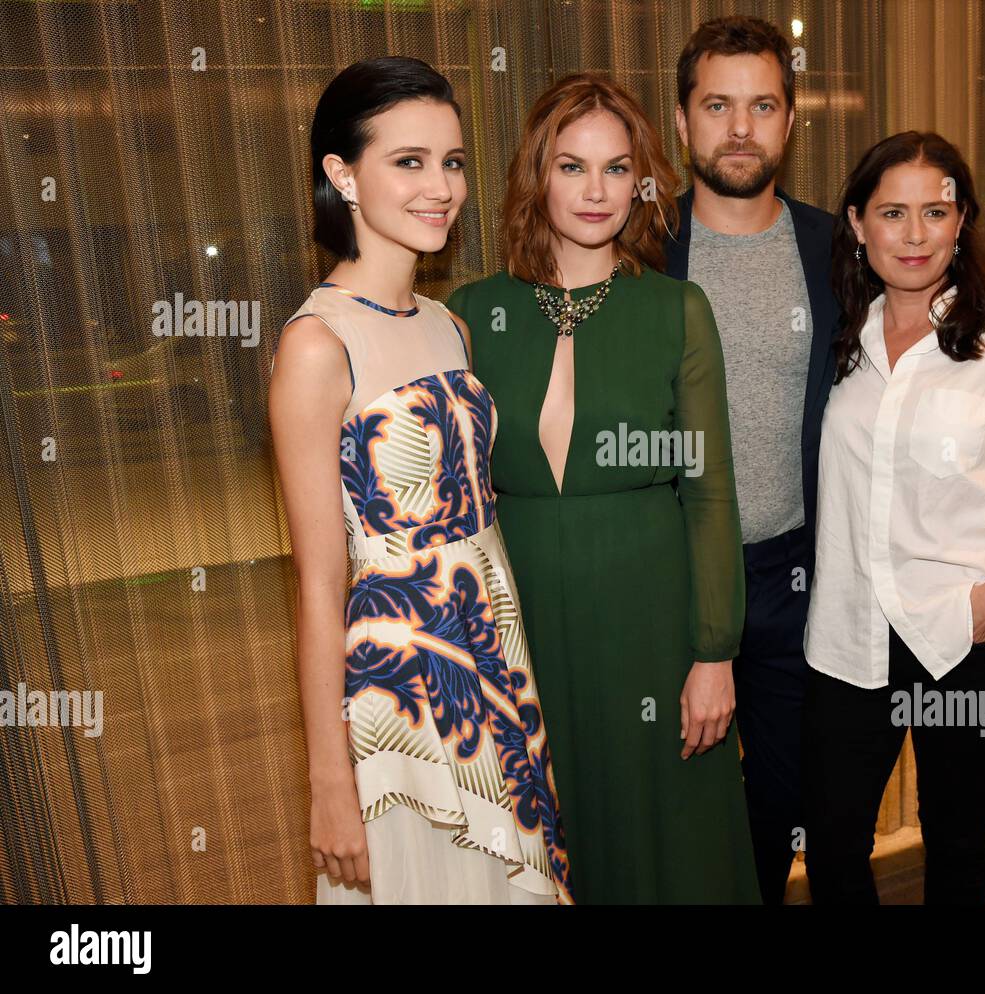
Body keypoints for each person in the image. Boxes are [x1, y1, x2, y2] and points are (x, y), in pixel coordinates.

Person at [448, 72, 760, 904]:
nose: (596, 191)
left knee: (670, 848)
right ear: (535, 175)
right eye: (571, 166)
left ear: (642, 181)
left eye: (617, 168)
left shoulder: (676, 309)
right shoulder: (471, 314)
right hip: (521, 627)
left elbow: (711, 493)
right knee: (544, 841)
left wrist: (715, 652)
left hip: (652, 626)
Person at [269, 56, 571, 905]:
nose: (440, 186)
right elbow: (320, 585)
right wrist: (330, 784)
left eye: (453, 161)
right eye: (408, 161)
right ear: (342, 175)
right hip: (397, 698)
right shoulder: (316, 347)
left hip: (490, 662)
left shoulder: (446, 326)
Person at [802, 131, 985, 904]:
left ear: (963, 222)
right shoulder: (836, 337)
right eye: (893, 213)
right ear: (858, 224)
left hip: (965, 636)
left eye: (936, 211)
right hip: (848, 636)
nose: (915, 234)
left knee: (956, 842)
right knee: (831, 844)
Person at [663, 15, 837, 905]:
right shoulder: (637, 248)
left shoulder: (835, 249)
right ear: (683, 120)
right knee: (681, 806)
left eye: (762, 105)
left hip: (796, 574)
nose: (740, 128)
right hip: (672, 574)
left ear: (790, 119)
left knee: (779, 806)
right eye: (718, 105)